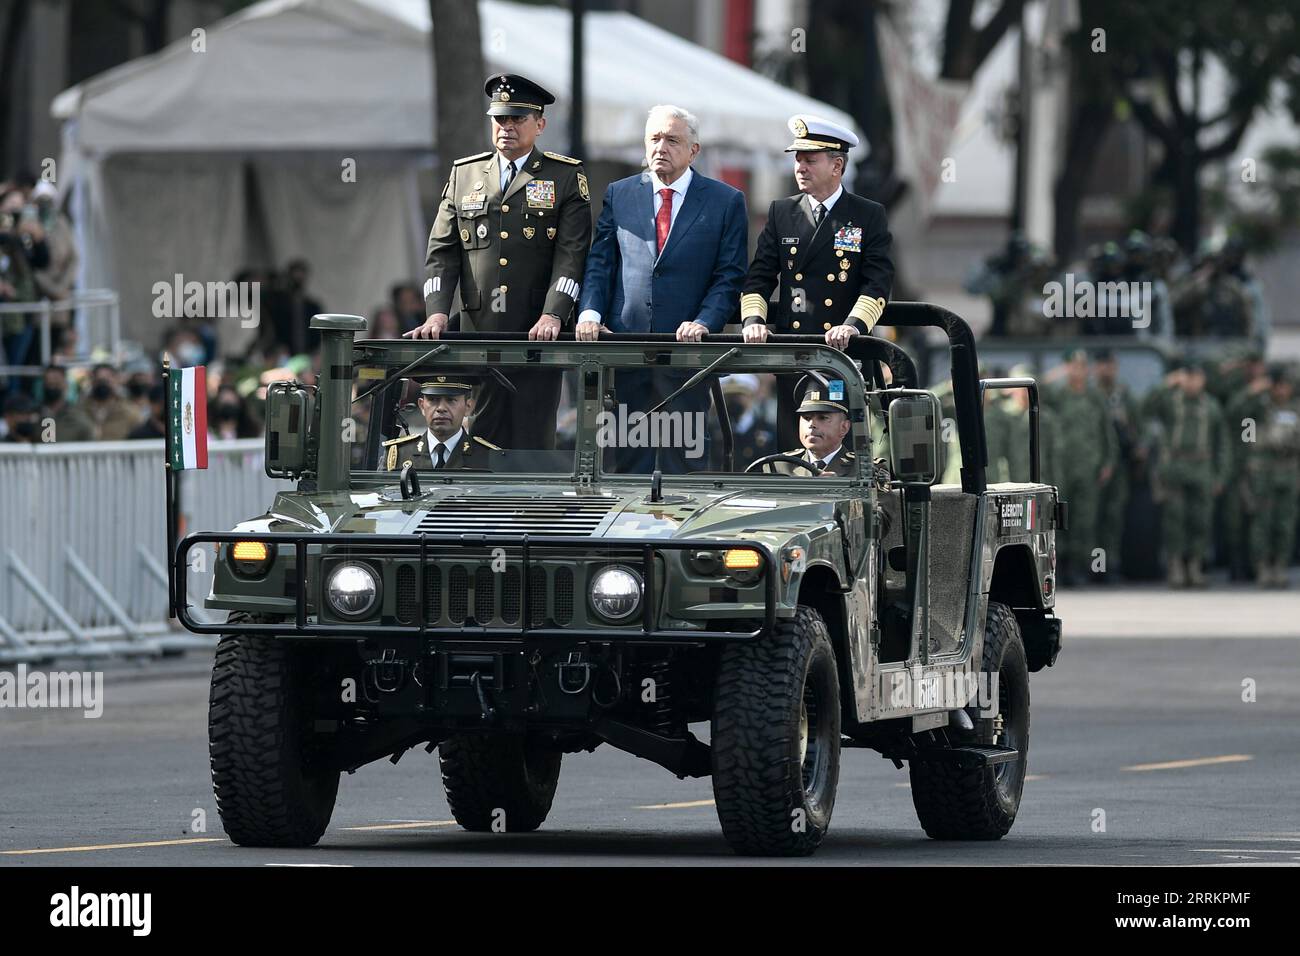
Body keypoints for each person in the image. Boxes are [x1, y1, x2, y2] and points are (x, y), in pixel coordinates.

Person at [410, 73, 592, 452]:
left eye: (517, 119)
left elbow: (572, 255)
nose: (506, 127)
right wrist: (436, 313)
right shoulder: (465, 174)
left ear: (539, 125)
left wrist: (554, 314)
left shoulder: (564, 176)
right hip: (478, 332)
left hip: (536, 334)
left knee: (531, 444)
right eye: (499, 118)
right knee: (476, 443)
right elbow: (441, 252)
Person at [576, 104, 747, 472]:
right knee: (626, 464)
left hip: (687, 357)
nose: (660, 148)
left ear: (693, 151)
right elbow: (601, 263)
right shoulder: (620, 193)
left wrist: (704, 321)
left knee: (683, 466)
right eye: (654, 139)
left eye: (672, 140)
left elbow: (730, 276)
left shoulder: (725, 201)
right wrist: (590, 312)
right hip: (626, 351)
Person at [741, 114, 893, 450]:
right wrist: (753, 321)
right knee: (791, 453)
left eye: (810, 160)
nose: (800, 168)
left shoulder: (867, 215)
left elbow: (877, 283)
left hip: (843, 355)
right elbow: (759, 277)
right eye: (798, 160)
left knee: (844, 453)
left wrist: (852, 326)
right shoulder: (782, 212)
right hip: (793, 354)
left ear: (837, 165)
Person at [1144, 359, 1230, 588]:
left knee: (1201, 519)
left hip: (1202, 467)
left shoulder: (1211, 406)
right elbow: (1146, 408)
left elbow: (1222, 443)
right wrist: (1166, 383)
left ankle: (1195, 566)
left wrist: (1220, 475)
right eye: (1188, 377)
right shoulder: (1170, 401)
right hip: (1175, 467)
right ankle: (1176, 566)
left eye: (1196, 378)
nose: (1192, 383)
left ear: (1203, 380)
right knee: (1175, 519)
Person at [1045, 349, 1116, 585]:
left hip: (1089, 467)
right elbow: (1036, 390)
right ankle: (1060, 567)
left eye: (1083, 366)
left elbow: (1106, 431)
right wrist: (1056, 374)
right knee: (1060, 518)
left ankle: (1080, 567)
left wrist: (1108, 462)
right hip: (1062, 467)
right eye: (1074, 366)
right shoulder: (1058, 395)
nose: (1079, 371)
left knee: (1086, 519)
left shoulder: (1095, 397)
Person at [1230, 364, 1300, 588]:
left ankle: (1280, 566)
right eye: (1278, 386)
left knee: (1285, 524)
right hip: (1263, 471)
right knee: (1262, 523)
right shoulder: (1257, 408)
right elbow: (1238, 418)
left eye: (1286, 386)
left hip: (1288, 471)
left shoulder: (1295, 408)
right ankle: (1262, 567)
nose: (1282, 391)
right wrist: (1251, 392)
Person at [1092, 348, 1142, 581]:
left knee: (1113, 517)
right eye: (1102, 365)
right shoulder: (1088, 394)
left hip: (1120, 464)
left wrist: (1138, 447)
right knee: (1090, 517)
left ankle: (1108, 565)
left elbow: (1138, 424)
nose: (1106, 370)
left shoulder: (1124, 395)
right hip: (1093, 464)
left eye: (1110, 365)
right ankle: (1091, 566)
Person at [381, 377, 500, 471]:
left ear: (468, 407)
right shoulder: (398, 455)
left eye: (451, 400)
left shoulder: (489, 457)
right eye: (433, 400)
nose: (441, 408)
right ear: (422, 406)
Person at [764, 385, 857, 477]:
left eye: (822, 418)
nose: (812, 424)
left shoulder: (859, 469)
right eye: (806, 418)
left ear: (844, 427)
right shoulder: (779, 467)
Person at [37, 364, 93, 442]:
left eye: (56, 382)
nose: (51, 385)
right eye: (48, 382)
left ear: (65, 384)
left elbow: (88, 438)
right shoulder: (35, 415)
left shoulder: (77, 416)